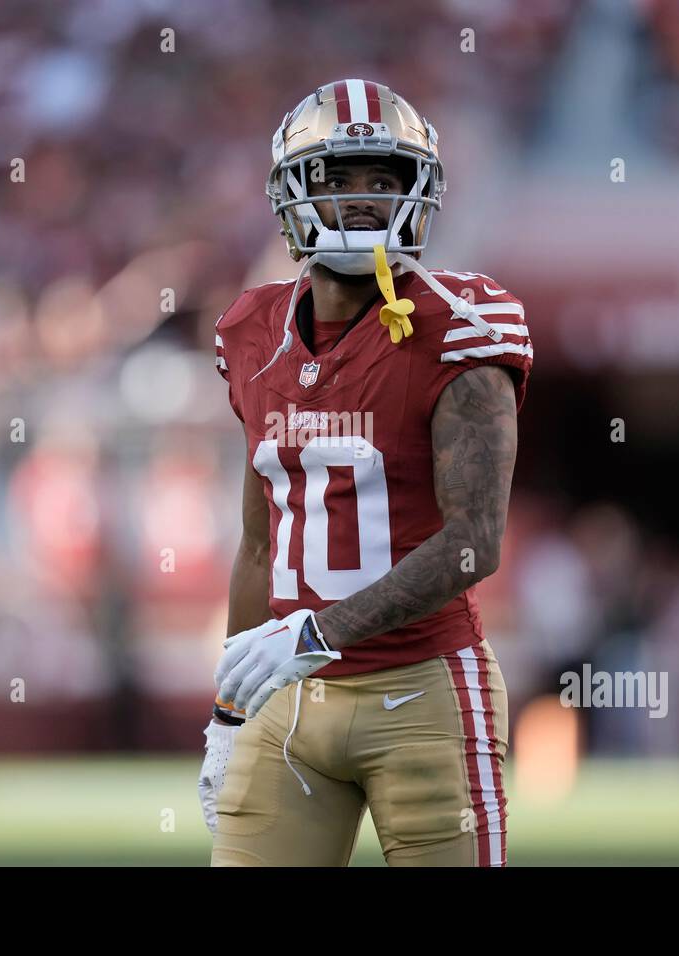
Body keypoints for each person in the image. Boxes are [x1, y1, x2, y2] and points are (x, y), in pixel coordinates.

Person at [200, 79, 532, 866]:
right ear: (291, 192)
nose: (361, 200)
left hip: (423, 697)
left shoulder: (464, 328)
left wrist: (318, 632)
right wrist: (225, 715)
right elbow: (258, 546)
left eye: (382, 180)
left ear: (416, 191)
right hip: (288, 708)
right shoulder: (251, 333)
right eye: (336, 179)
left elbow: (473, 544)